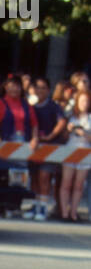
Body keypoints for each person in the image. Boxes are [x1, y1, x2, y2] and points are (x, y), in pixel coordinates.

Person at [29, 76, 67, 219]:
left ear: (49, 90)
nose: (40, 90)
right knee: (34, 178)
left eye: (43, 88)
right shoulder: (29, 105)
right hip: (32, 147)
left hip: (49, 148)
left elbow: (62, 122)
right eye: (37, 87)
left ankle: (43, 208)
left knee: (44, 177)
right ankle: (35, 205)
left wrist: (50, 136)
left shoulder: (53, 106)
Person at [59, 87, 91, 221]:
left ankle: (73, 212)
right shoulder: (70, 116)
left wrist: (83, 133)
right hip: (70, 151)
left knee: (79, 185)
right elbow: (63, 137)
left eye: (87, 101)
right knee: (66, 183)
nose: (84, 103)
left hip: (85, 152)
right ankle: (64, 212)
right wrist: (69, 129)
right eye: (82, 101)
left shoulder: (90, 118)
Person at [0, 74, 38, 147]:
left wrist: (35, 138)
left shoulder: (27, 105)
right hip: (4, 141)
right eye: (12, 86)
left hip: (25, 142)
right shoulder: (0, 104)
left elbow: (34, 124)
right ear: (5, 87)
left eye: (17, 86)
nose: (15, 89)